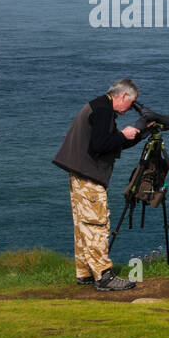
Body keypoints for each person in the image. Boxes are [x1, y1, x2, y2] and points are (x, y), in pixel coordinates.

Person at [52, 78, 147, 291]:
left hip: (79, 174)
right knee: (97, 224)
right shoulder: (103, 111)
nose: (130, 108)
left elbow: (109, 143)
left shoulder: (99, 106)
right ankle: (104, 277)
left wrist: (136, 135)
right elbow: (100, 145)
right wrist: (124, 134)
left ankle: (85, 273)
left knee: (83, 226)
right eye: (131, 103)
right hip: (89, 178)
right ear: (123, 96)